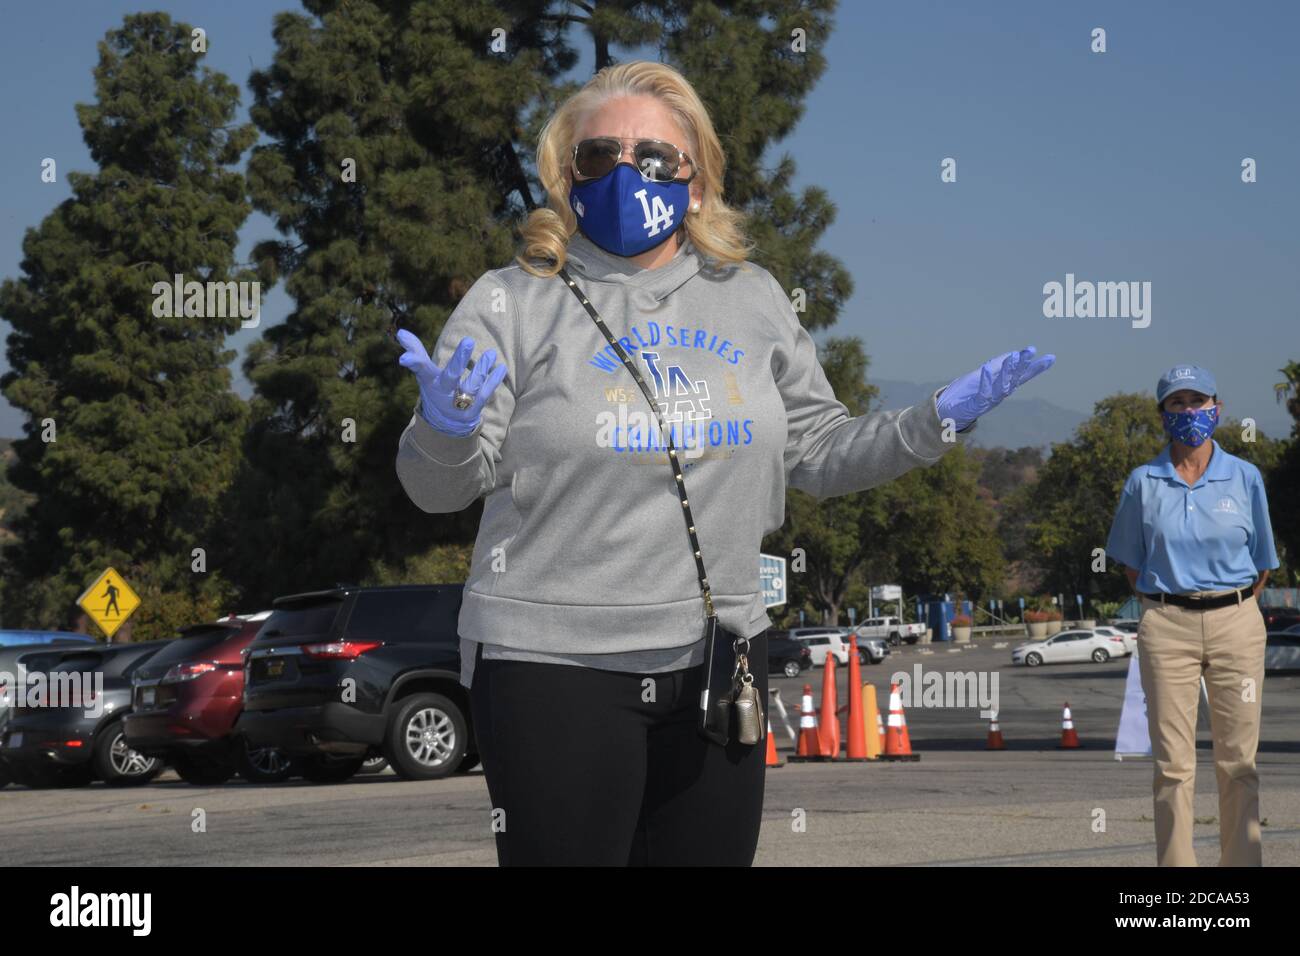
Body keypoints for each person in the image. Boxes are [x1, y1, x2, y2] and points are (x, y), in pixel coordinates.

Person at [394, 60, 1054, 866]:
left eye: (655, 157)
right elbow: (436, 490)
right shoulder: (510, 302)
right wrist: (444, 429)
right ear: (567, 180)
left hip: (721, 658)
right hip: (551, 665)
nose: (627, 172)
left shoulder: (753, 298)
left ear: (698, 184)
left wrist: (935, 420)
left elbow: (819, 451)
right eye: (600, 155)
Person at [1105, 364, 1279, 866]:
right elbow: (1132, 566)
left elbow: (1262, 565)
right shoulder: (1143, 482)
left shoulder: (1245, 477)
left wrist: (1229, 606)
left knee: (1238, 762)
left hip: (1237, 622)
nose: (1189, 411)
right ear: (1163, 415)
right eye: (1176, 403)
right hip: (1166, 626)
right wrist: (1172, 604)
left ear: (1216, 408)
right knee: (1173, 766)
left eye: (1197, 401)